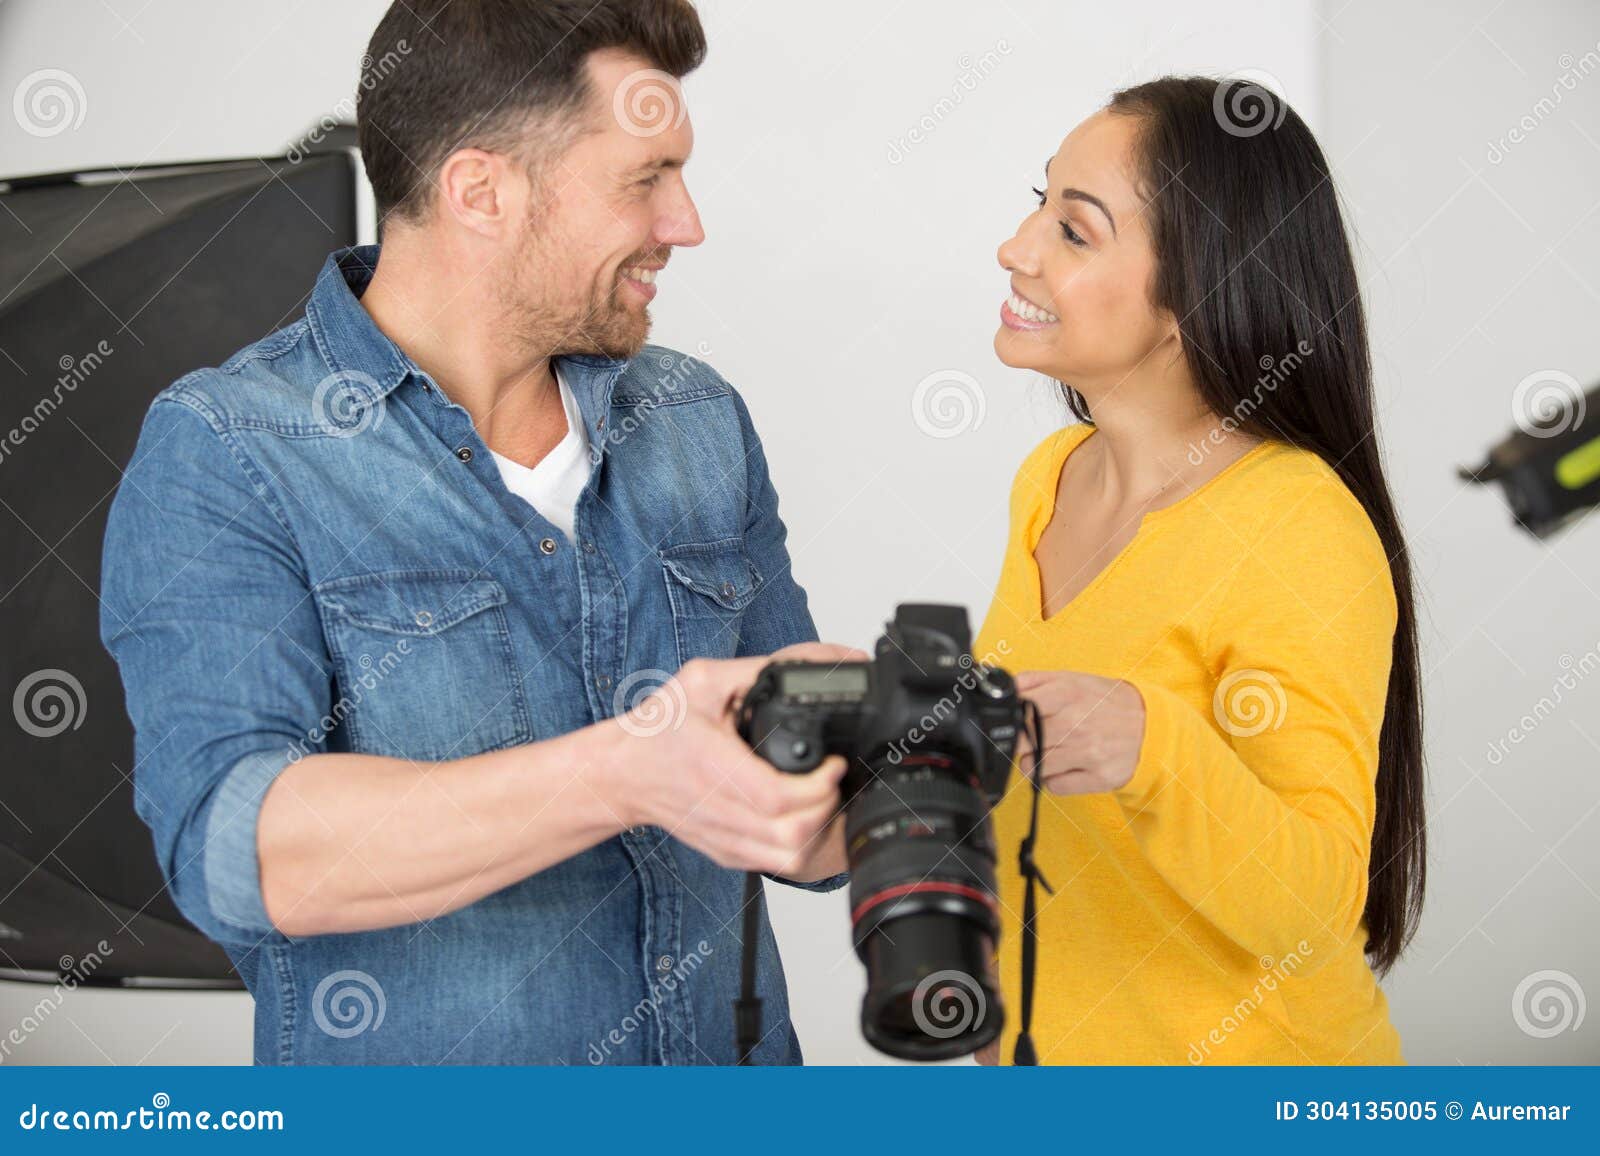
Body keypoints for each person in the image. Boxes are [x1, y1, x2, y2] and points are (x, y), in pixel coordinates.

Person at [99, 0, 853, 1066]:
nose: (685, 223)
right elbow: (239, 847)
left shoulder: (694, 418)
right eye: (645, 178)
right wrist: (627, 770)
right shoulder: (231, 448)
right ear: (481, 190)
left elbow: (798, 816)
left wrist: (873, 772)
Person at [974, 76, 1425, 1064]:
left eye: (1075, 231)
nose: (1016, 248)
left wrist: (1153, 744)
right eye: (1037, 200)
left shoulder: (1299, 528)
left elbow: (1313, 907)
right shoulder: (1049, 481)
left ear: (1194, 296)